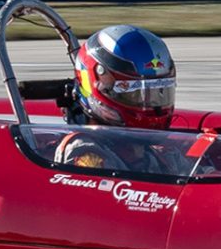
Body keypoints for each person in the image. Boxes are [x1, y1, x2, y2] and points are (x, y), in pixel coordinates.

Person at [57, 25, 178, 172]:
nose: (153, 106)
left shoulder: (156, 153)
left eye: (159, 92)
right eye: (134, 93)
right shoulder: (85, 153)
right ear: (98, 88)